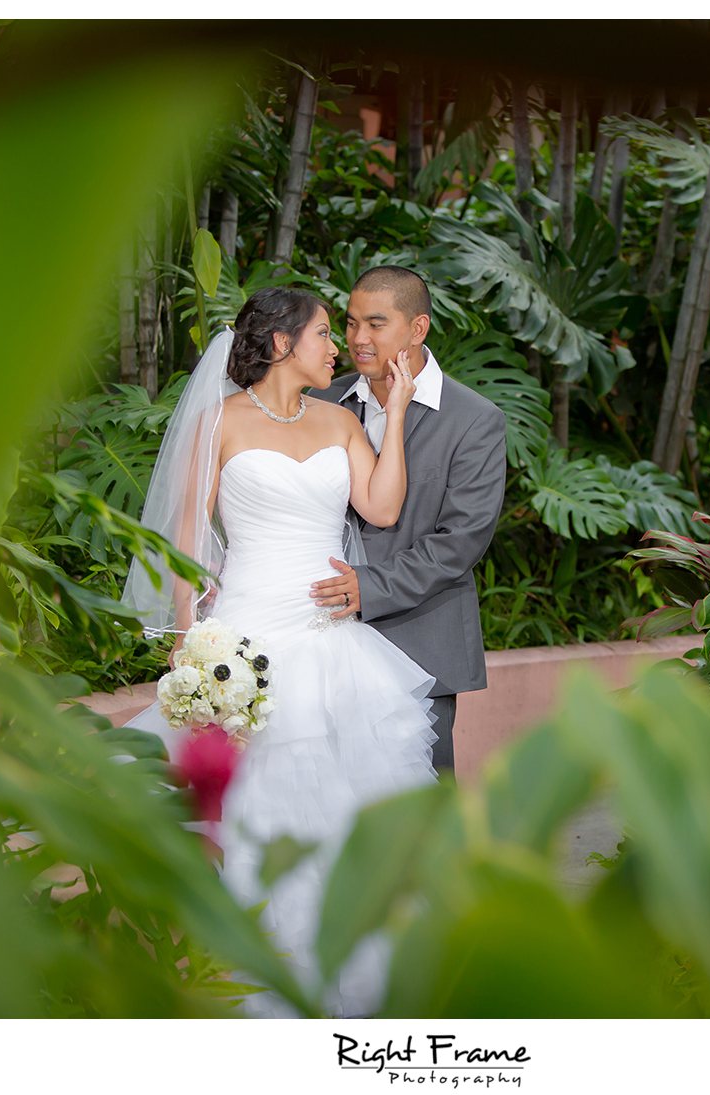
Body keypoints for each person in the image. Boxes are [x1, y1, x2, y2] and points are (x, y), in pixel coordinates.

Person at [122, 287, 436, 1018]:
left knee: (345, 807)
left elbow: (382, 508)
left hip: (334, 645)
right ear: (280, 344)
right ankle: (253, 983)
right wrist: (184, 643)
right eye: (326, 333)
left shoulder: (342, 421)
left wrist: (391, 413)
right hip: (244, 638)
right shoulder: (219, 423)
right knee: (256, 812)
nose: (339, 346)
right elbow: (185, 544)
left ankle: (350, 982)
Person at [308, 266, 508, 771]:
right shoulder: (321, 403)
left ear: (417, 329)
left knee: (419, 812)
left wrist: (368, 587)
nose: (358, 339)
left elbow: (461, 539)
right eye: (350, 324)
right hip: (318, 636)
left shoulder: (474, 419)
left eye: (376, 324)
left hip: (422, 637)